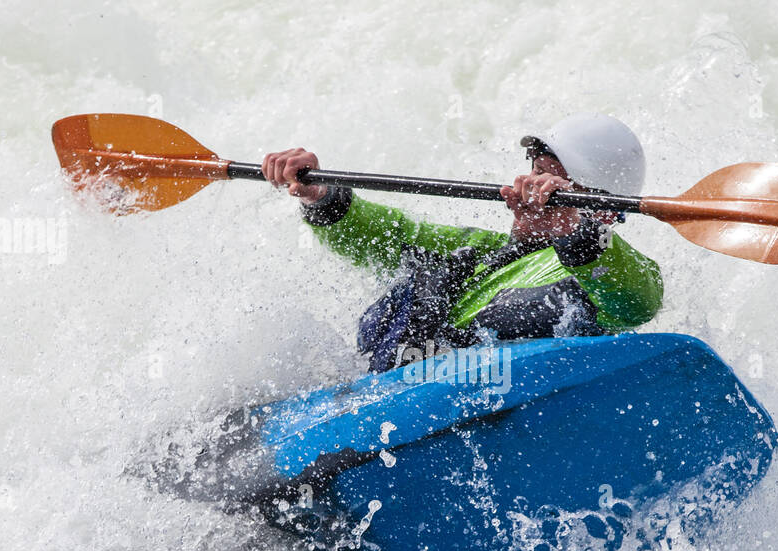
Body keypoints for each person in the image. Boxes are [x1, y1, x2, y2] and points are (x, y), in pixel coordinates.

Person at [261, 113, 664, 373]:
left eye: (553, 186)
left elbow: (638, 301)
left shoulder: (603, 268)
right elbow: (388, 237)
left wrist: (573, 230)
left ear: (606, 212)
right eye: (534, 174)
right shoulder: (480, 251)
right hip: (385, 401)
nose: (529, 190)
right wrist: (323, 196)